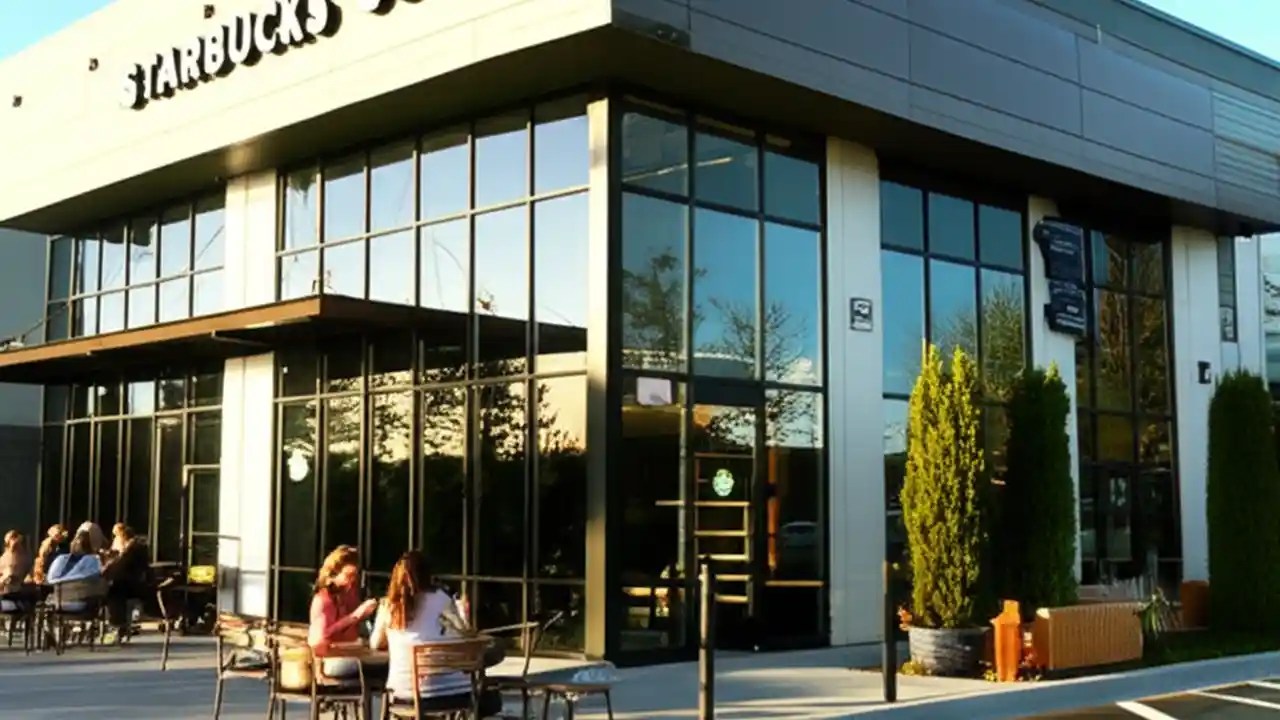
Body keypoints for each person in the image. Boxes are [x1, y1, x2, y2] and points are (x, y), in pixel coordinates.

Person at [370, 551, 501, 715]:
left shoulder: (388, 607)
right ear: (428, 575)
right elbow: (465, 633)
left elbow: (375, 643)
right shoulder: (441, 599)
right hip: (454, 693)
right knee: (488, 694)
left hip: (405, 693)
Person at [308, 545, 378, 680]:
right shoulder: (323, 599)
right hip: (329, 661)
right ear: (333, 574)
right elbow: (320, 639)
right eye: (348, 576)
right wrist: (355, 616)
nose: (351, 581)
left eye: (354, 576)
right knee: (374, 670)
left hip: (349, 653)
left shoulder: (349, 593)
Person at [102, 526, 150, 638]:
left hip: (131, 585)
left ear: (122, 538)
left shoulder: (131, 550)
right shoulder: (138, 548)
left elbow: (119, 567)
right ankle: (119, 624)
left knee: (113, 593)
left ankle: (117, 624)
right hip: (137, 582)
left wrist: (108, 567)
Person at [46, 530, 104, 612]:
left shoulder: (92, 560)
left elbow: (51, 579)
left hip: (64, 602)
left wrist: (60, 582)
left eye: (78, 541)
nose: (75, 543)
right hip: (76, 602)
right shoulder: (62, 559)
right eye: (74, 540)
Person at [0, 530, 32, 611]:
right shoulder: (4, 559)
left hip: (19, 594)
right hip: (6, 593)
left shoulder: (26, 559)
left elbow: (29, 575)